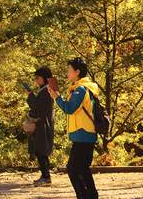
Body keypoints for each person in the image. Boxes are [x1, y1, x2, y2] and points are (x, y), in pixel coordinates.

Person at [48, 58, 104, 199]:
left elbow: (69, 108)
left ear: (77, 71)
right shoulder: (81, 87)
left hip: (83, 134)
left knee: (73, 169)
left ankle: (84, 196)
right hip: (84, 134)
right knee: (82, 169)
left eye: (69, 69)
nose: (67, 72)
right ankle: (91, 196)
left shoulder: (81, 89)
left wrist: (56, 97)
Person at [26, 67, 56, 186]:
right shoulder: (46, 90)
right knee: (40, 151)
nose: (36, 80)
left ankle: (46, 177)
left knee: (41, 151)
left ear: (44, 78)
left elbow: (38, 107)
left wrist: (30, 95)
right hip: (43, 124)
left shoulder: (46, 91)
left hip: (42, 125)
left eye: (37, 78)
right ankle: (45, 176)